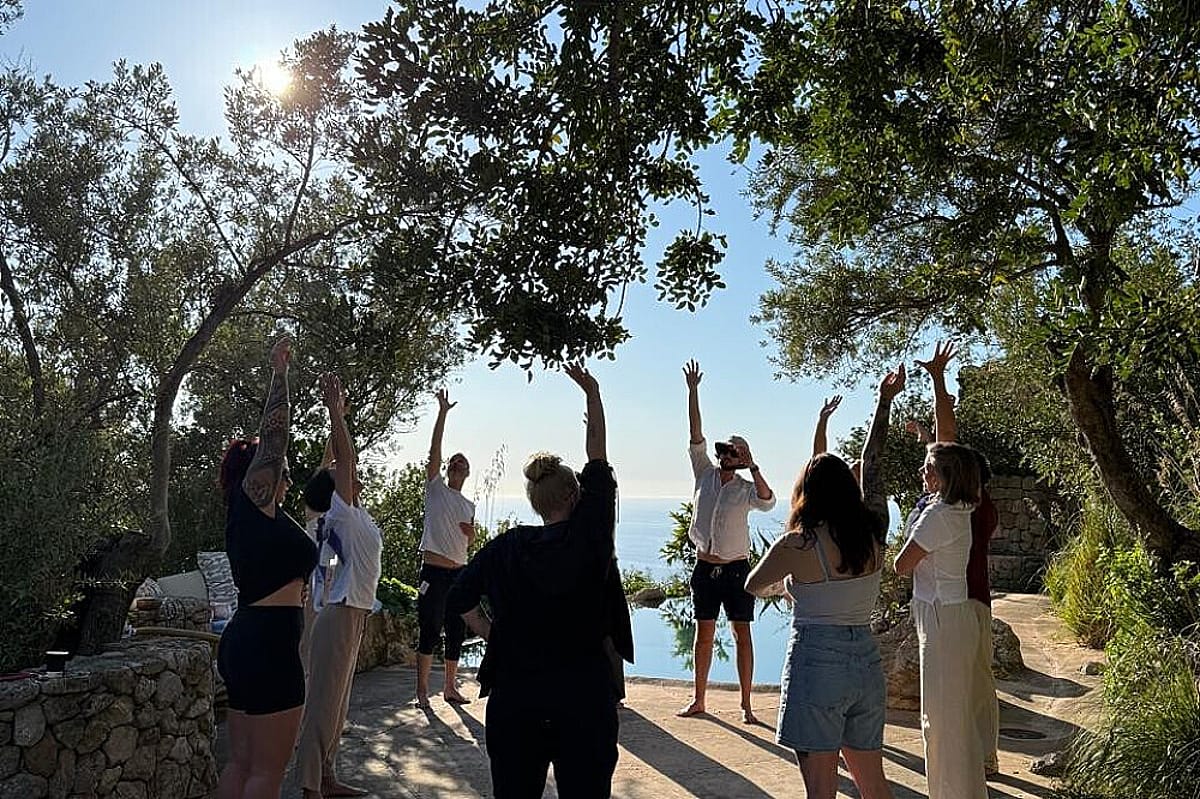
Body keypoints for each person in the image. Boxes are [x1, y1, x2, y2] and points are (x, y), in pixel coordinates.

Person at [446, 364, 621, 798]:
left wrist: (494, 635)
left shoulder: (506, 547)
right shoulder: (590, 538)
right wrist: (593, 395)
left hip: (516, 697)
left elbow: (460, 595)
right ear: (573, 496)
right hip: (583, 697)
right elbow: (597, 459)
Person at [745, 367, 905, 799]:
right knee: (874, 784)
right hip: (866, 663)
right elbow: (873, 464)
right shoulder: (874, 531)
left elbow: (752, 585)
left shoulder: (797, 545)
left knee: (820, 791)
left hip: (817, 662)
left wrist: (790, 587)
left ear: (806, 492)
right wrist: (883, 401)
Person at [216, 337, 318, 799]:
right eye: (277, 469)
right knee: (266, 774)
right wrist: (280, 376)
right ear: (256, 473)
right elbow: (275, 439)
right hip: (268, 646)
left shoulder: (256, 518)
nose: (285, 473)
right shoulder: (252, 502)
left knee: (242, 765)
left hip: (247, 641)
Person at [913, 341, 1000, 776]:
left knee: (963, 691)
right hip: (975, 601)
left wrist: (938, 379)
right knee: (978, 684)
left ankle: (974, 764)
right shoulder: (977, 507)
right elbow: (945, 443)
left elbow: (948, 439)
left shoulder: (964, 506)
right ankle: (985, 756)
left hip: (959, 606)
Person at [296, 374, 382, 799]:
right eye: (339, 475)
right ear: (335, 492)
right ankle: (311, 787)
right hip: (339, 609)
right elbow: (342, 464)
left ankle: (326, 777)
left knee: (338, 704)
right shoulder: (339, 515)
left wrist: (338, 421)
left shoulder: (344, 516)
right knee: (323, 704)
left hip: (353, 609)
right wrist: (335, 414)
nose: (346, 472)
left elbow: (328, 468)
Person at [677, 359, 776, 724]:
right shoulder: (704, 473)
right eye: (724, 450)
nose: (724, 455)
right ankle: (699, 699)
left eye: (732, 451)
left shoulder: (748, 488)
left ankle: (747, 705)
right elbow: (695, 434)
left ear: (743, 457)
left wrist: (753, 466)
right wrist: (693, 391)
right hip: (705, 568)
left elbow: (768, 502)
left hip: (737, 571)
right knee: (703, 636)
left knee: (741, 635)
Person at [895, 437, 987, 799]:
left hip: (940, 617)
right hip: (949, 614)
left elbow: (902, 565)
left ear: (944, 476)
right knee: (954, 720)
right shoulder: (958, 508)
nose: (922, 471)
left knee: (939, 723)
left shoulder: (937, 515)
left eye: (928, 468)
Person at [414, 389, 475, 707]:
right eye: (453, 462)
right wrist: (442, 413)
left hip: (459, 574)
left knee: (455, 631)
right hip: (434, 572)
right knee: (429, 629)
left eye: (461, 463)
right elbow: (433, 451)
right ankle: (422, 691)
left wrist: (472, 532)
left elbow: (469, 541)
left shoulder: (469, 504)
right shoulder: (435, 489)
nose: (455, 464)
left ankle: (450, 687)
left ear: (467, 473)